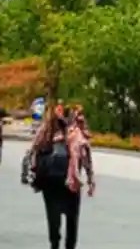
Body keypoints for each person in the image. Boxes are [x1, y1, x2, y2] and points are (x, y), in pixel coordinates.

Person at [21, 103, 95, 249]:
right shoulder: (77, 131)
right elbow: (86, 156)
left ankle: (54, 244)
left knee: (53, 217)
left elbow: (33, 150)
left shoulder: (47, 129)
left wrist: (29, 173)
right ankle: (69, 246)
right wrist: (90, 178)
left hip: (50, 180)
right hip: (72, 181)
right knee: (72, 219)